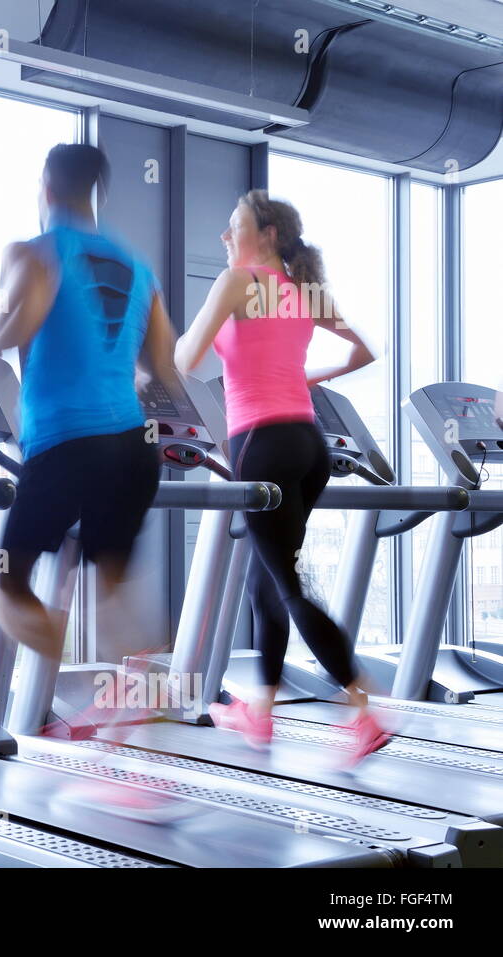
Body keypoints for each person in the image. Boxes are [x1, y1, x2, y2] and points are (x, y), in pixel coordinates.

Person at [0, 144, 187, 817]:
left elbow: (16, 323)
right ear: (97, 191)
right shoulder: (136, 264)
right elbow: (166, 368)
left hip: (66, 447)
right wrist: (128, 375)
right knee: (113, 592)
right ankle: (137, 738)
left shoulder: (31, 252)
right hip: (131, 448)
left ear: (45, 186)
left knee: (4, 575)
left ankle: (83, 701)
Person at [173, 188, 389, 765]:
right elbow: (365, 352)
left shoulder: (239, 281)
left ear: (266, 234)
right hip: (307, 443)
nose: (224, 237)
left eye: (233, 225)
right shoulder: (303, 291)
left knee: (288, 585)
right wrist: (301, 379)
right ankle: (261, 711)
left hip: (260, 443)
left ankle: (363, 707)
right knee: (270, 578)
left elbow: (186, 359)